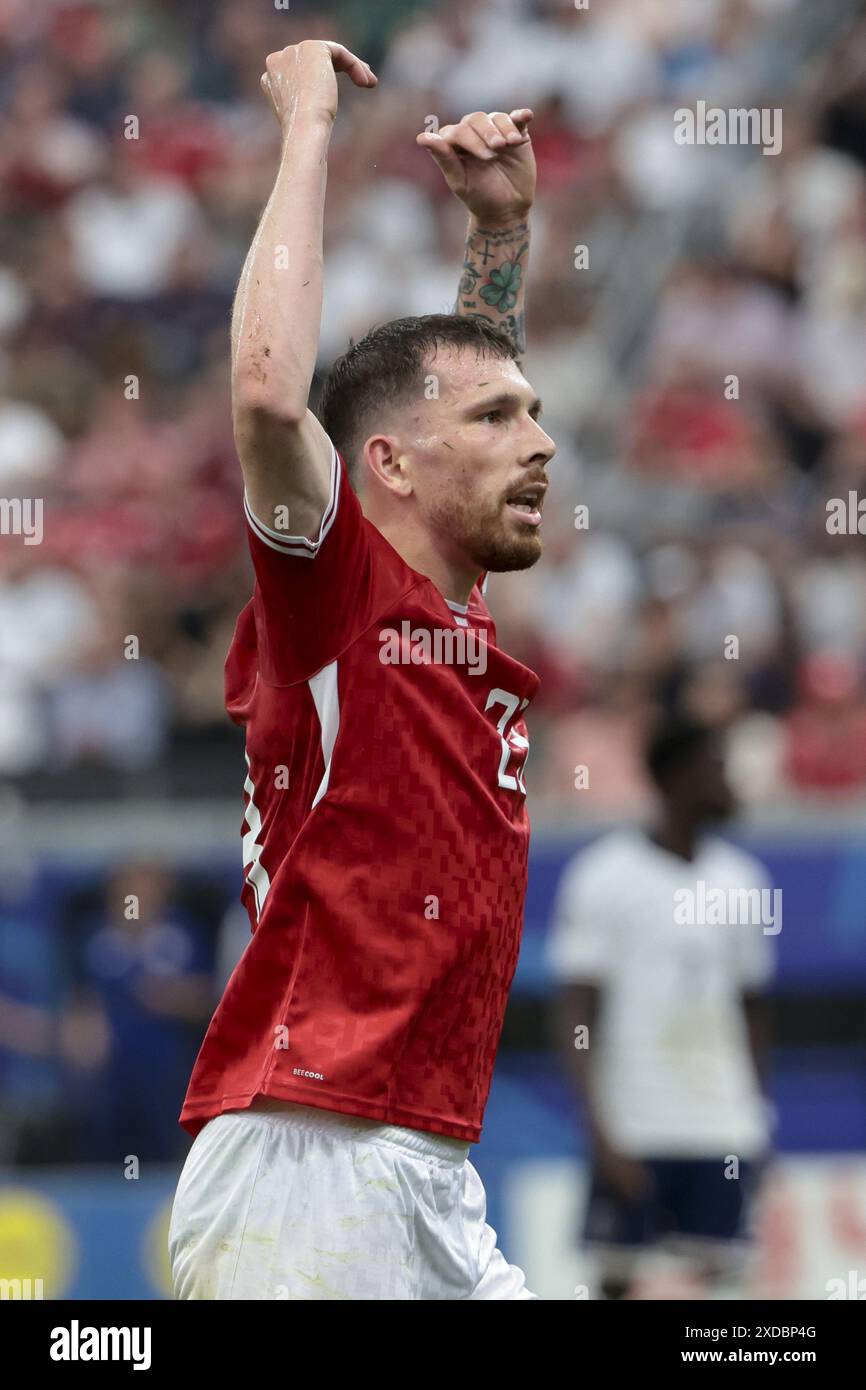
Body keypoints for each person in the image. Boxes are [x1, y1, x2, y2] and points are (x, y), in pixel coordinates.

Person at [169, 39, 555, 1300]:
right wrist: (307, 126)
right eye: (503, 420)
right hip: (308, 1160)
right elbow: (275, 401)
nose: (540, 442)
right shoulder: (329, 596)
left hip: (427, 1165)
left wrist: (499, 237)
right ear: (385, 467)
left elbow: (436, 408)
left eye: (535, 412)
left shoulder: (438, 609)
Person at [546, 714, 775, 1299]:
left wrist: (755, 1116)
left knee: (726, 1283)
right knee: (616, 1279)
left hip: (722, 1127)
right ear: (677, 776)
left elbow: (752, 1010)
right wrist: (600, 1131)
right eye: (717, 766)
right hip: (636, 1124)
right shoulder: (603, 875)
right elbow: (576, 1012)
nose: (730, 782)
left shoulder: (744, 883)